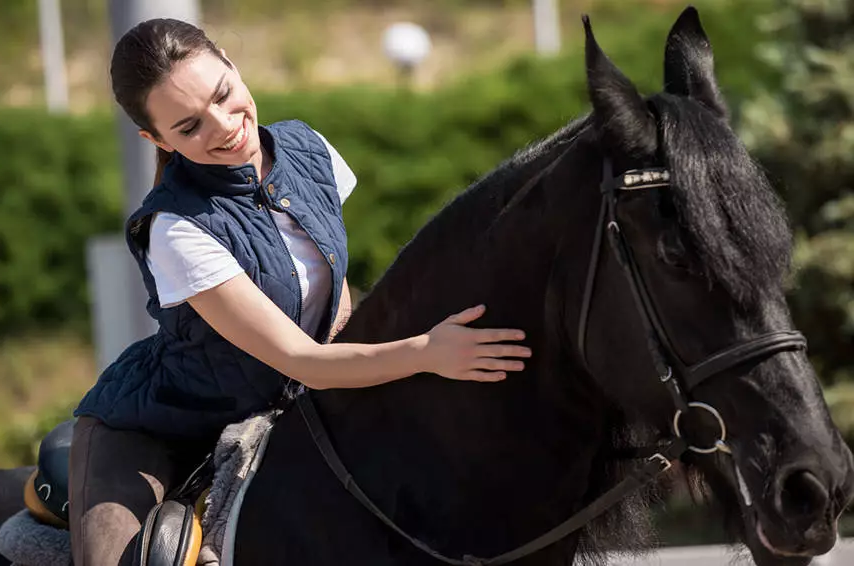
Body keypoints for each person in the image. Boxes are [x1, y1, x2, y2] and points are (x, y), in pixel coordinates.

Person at [68, 17, 532, 566]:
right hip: (158, 429)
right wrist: (427, 353)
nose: (223, 127)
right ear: (156, 139)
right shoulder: (174, 228)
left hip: (285, 406)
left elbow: (331, 299)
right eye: (190, 127)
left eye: (224, 93)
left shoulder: (308, 149)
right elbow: (302, 359)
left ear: (234, 67)